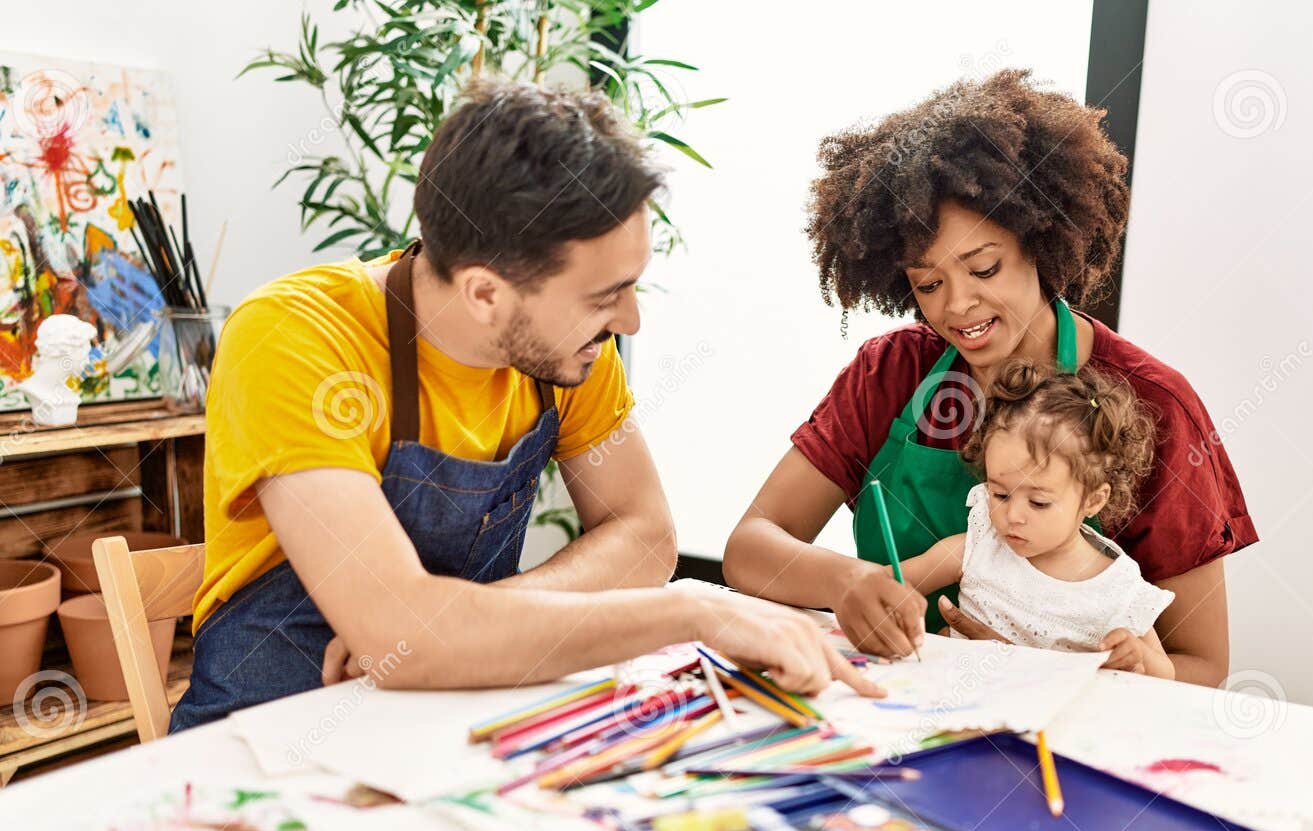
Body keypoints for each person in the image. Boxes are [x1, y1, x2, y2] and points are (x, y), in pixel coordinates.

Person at [170, 80, 878, 732]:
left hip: (437, 727)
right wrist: (691, 610)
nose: (629, 321)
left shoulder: (567, 353)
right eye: (606, 297)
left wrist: (458, 628)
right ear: (485, 293)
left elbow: (645, 535)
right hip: (265, 752)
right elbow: (402, 636)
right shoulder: (295, 336)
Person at [723, 70, 1256, 687]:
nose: (957, 307)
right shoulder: (891, 373)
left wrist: (1051, 670)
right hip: (899, 704)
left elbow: (1203, 666)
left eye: (984, 267)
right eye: (929, 284)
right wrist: (848, 581)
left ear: (1040, 240)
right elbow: (750, 549)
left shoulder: (1155, 405)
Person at [898, 359, 1175, 676]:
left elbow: (1167, 673)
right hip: (955, 706)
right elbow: (895, 581)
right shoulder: (984, 542)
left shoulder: (1117, 588)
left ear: (1094, 500)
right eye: (1000, 494)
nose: (1012, 516)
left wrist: (1138, 655)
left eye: (1039, 502)